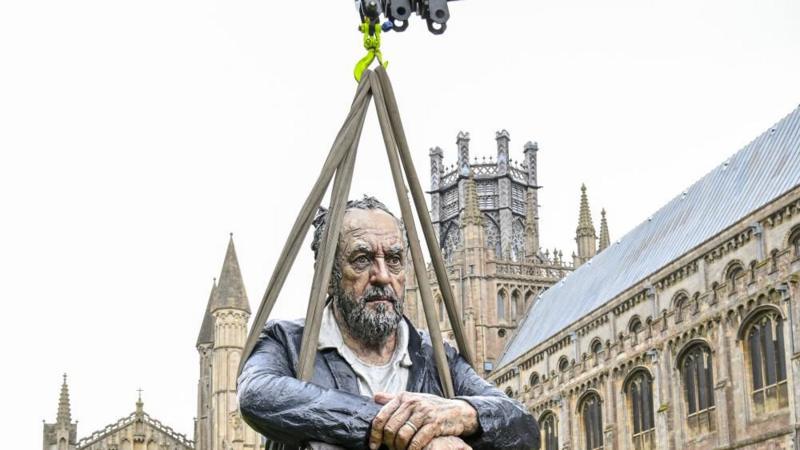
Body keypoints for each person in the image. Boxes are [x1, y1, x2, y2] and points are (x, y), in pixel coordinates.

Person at [238, 196, 540, 450]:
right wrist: (414, 433)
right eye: (361, 259)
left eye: (394, 259)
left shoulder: (435, 358)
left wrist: (458, 414)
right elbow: (258, 395)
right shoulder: (287, 343)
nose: (382, 275)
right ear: (326, 277)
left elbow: (523, 426)